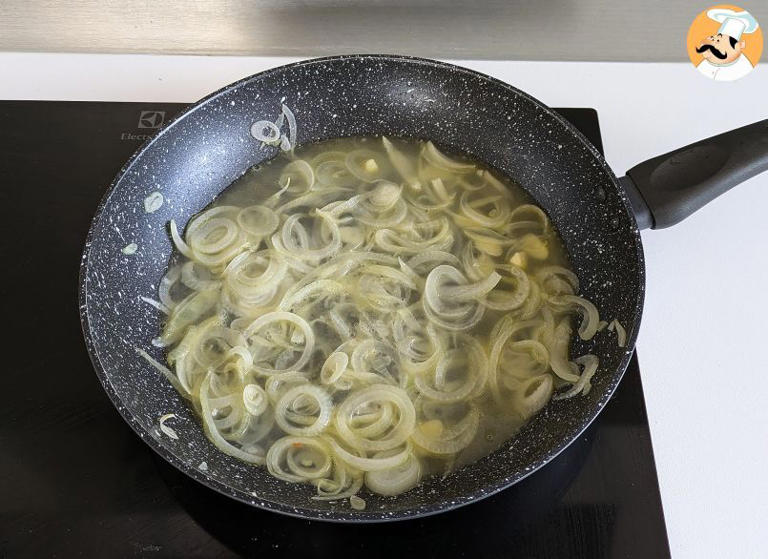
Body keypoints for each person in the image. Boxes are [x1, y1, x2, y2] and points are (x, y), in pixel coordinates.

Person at [695, 8, 759, 81]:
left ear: (741, 45)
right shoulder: (704, 64)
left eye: (718, 41)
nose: (713, 42)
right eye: (713, 38)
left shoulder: (743, 68)